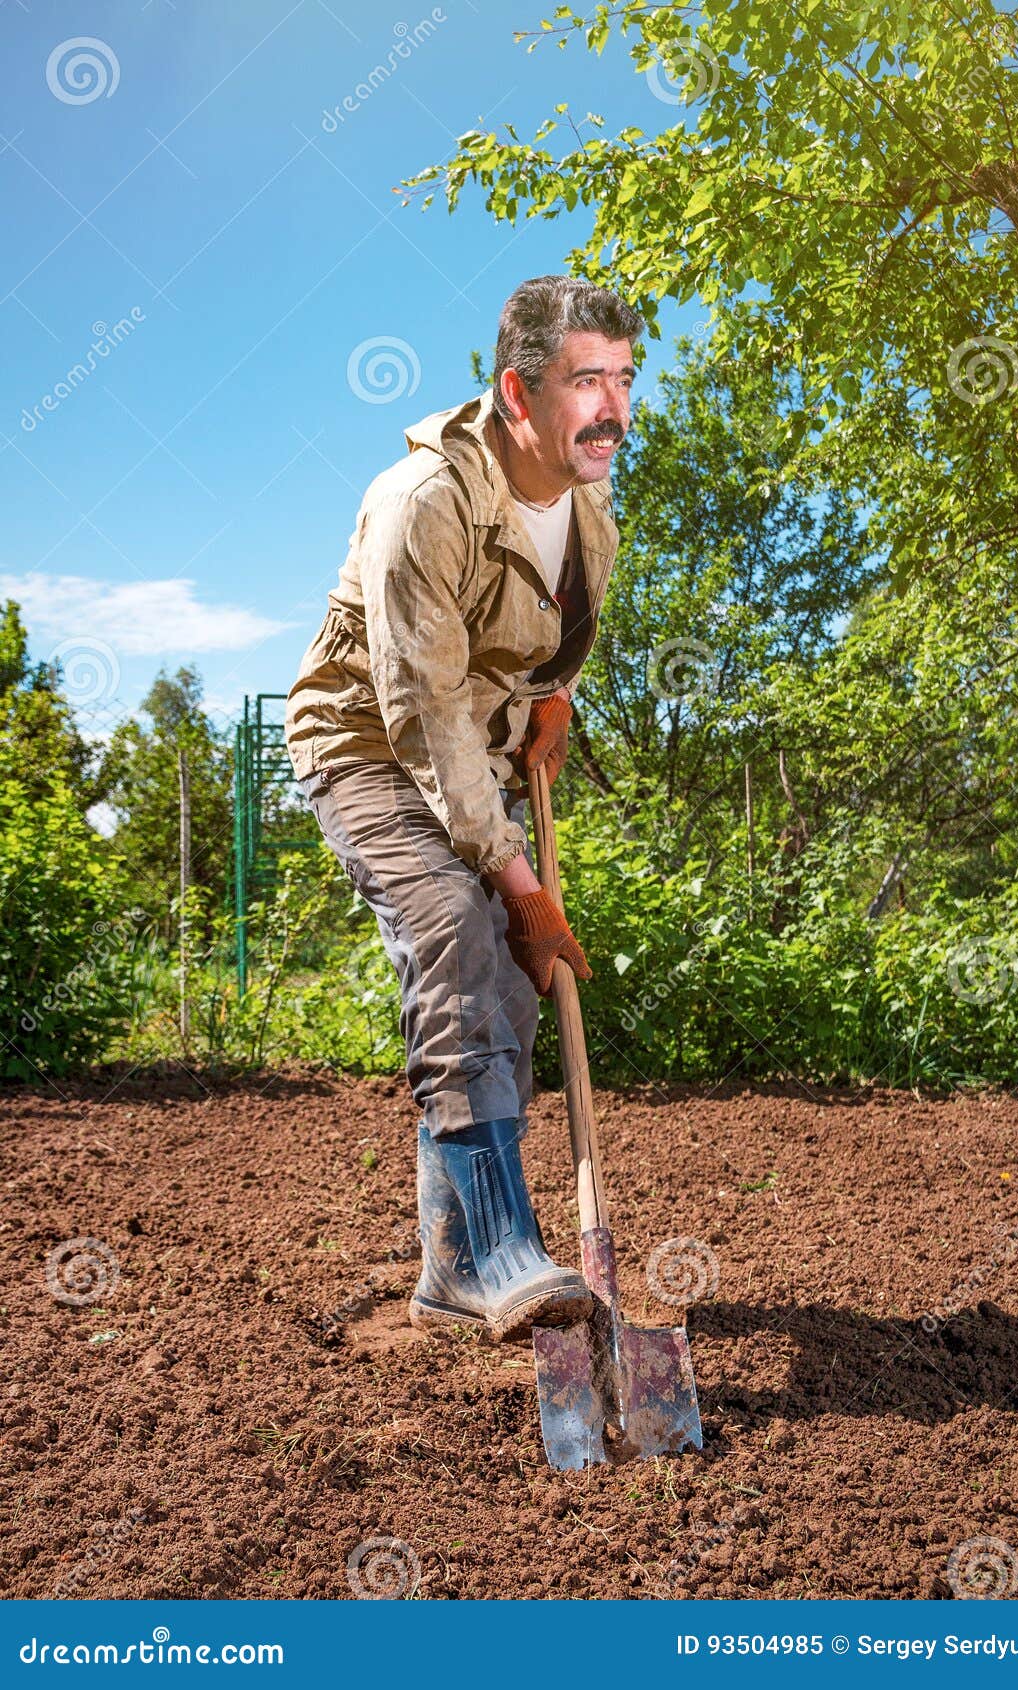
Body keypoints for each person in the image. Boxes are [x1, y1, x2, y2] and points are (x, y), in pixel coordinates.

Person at [285, 274, 642, 1342]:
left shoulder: (589, 507)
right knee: (455, 927)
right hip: (367, 743)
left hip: (475, 750)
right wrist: (520, 883)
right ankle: (498, 1248)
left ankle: (453, 1275)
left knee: (514, 989)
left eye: (624, 379)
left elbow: (560, 629)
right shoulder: (421, 505)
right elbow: (422, 714)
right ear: (518, 393)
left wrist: (555, 702)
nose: (612, 408)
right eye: (586, 381)